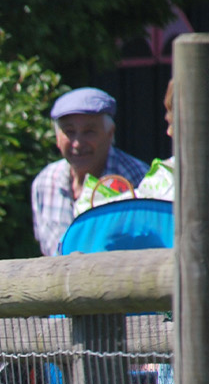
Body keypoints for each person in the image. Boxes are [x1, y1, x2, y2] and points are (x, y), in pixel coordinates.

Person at [30, 87, 149, 257]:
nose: (78, 143)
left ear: (110, 134)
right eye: (69, 132)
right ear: (57, 138)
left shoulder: (137, 180)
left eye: (89, 132)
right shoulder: (44, 183)